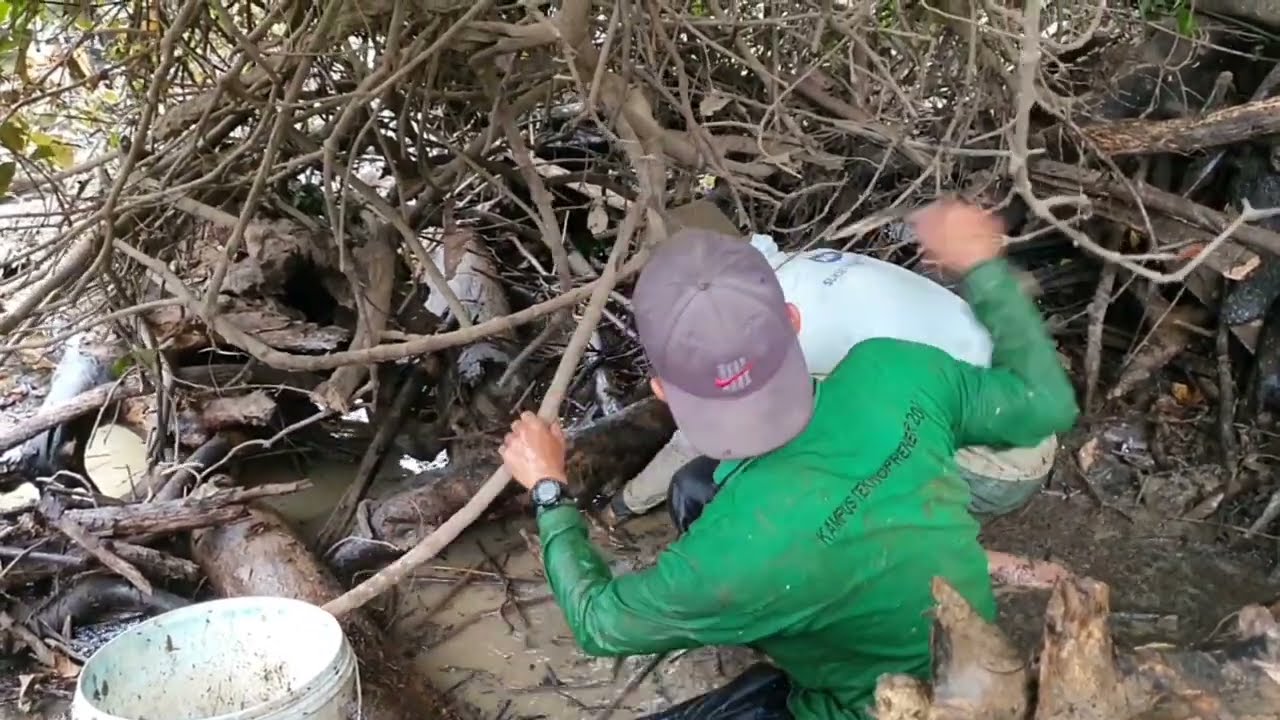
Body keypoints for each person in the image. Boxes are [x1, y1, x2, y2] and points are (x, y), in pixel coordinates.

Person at [499, 199, 1080, 719]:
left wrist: (549, 489)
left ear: (662, 390)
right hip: (972, 667)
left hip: (877, 708)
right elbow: (1046, 404)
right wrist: (983, 267)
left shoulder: (724, 560)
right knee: (703, 489)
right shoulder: (894, 370)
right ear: (793, 323)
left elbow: (598, 623)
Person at [605, 232, 1058, 530]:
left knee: (775, 469)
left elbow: (701, 440)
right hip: (1016, 407)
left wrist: (622, 506)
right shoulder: (794, 271)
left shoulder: (784, 343)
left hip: (1000, 469)